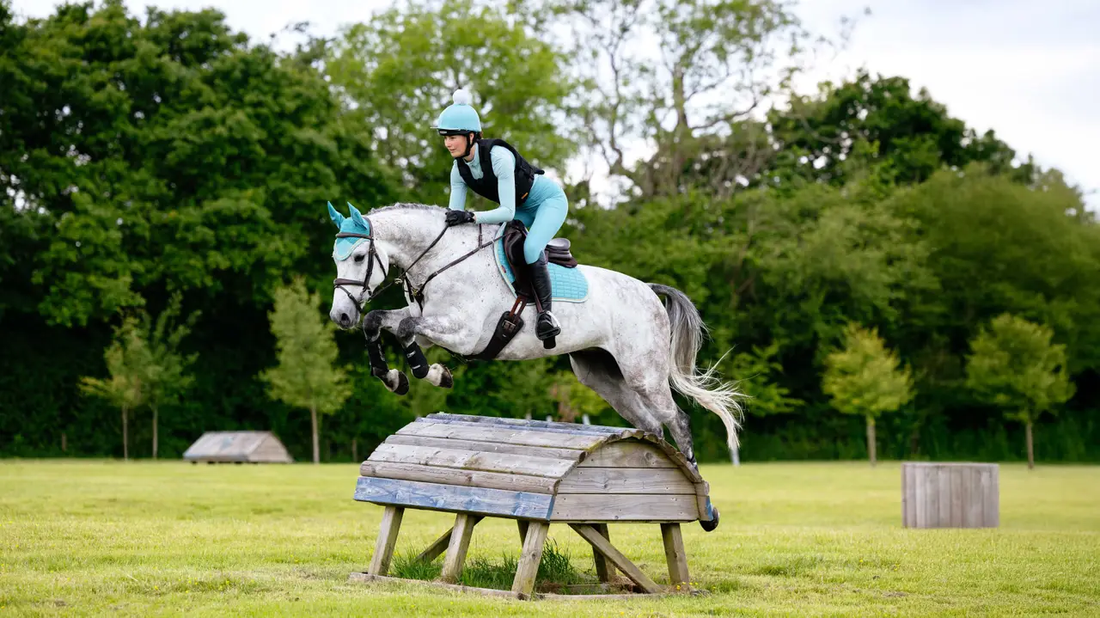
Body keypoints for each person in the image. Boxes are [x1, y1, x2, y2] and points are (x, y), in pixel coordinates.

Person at [431, 88, 566, 342]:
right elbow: (453, 217)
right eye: (444, 138)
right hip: (522, 209)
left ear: (471, 136)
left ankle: (546, 315)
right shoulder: (458, 170)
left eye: (453, 137)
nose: (448, 143)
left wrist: (470, 217)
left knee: (529, 249)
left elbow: (507, 212)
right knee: (494, 249)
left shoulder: (499, 157)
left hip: (548, 202)